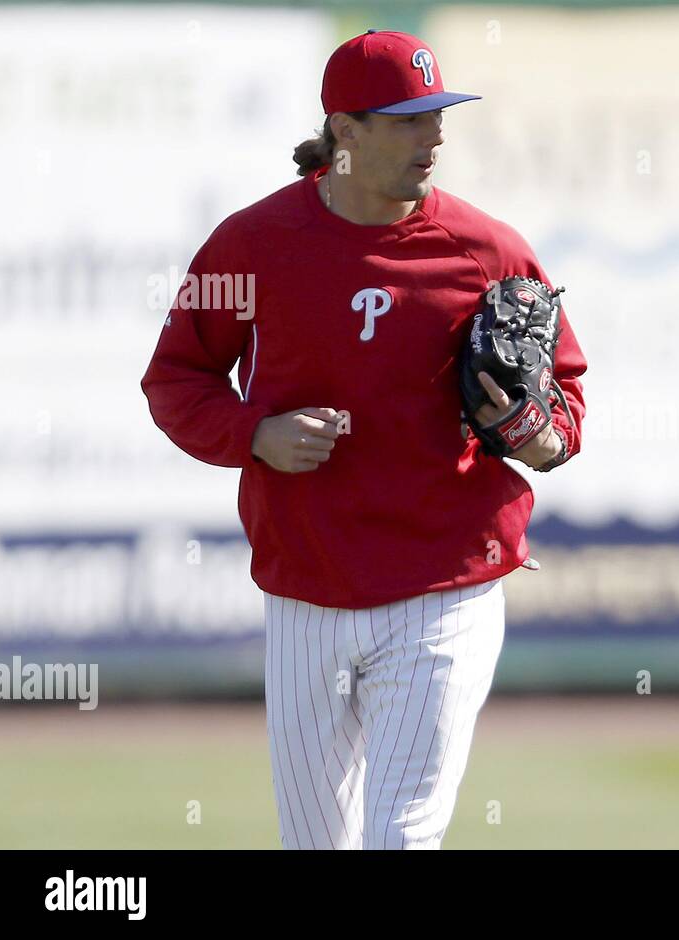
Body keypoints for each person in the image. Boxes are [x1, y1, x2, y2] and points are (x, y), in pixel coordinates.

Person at [140, 29, 587, 849]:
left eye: (438, 115)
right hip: (305, 588)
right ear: (344, 131)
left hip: (444, 585)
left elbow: (565, 409)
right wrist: (255, 433)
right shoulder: (254, 244)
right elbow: (174, 380)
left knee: (400, 838)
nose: (436, 136)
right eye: (409, 119)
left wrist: (536, 436)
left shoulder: (488, 250)